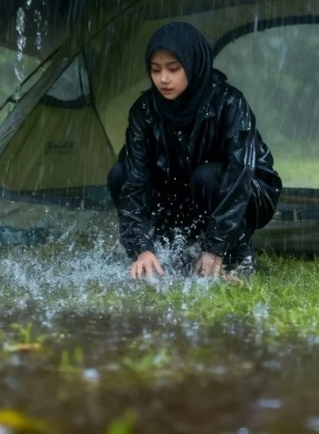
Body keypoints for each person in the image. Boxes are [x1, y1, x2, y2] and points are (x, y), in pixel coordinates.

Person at [107, 21, 282, 279]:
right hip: (181, 191)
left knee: (208, 177)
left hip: (247, 192)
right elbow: (134, 181)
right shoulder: (144, 111)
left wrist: (216, 247)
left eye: (173, 69)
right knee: (119, 174)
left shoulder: (230, 103)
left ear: (193, 65)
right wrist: (141, 248)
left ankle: (237, 257)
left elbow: (240, 176)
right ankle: (163, 253)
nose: (163, 79)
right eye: (155, 70)